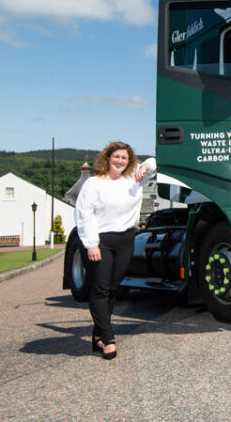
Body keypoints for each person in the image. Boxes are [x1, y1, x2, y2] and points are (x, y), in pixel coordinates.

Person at [75, 142, 156, 359]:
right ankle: (108, 338)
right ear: (107, 158)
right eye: (116, 157)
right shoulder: (94, 184)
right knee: (100, 288)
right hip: (101, 240)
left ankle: (98, 333)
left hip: (126, 239)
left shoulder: (134, 180)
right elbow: (84, 214)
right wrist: (91, 243)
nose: (120, 161)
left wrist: (144, 168)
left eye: (125, 158)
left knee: (112, 288)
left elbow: (155, 163)